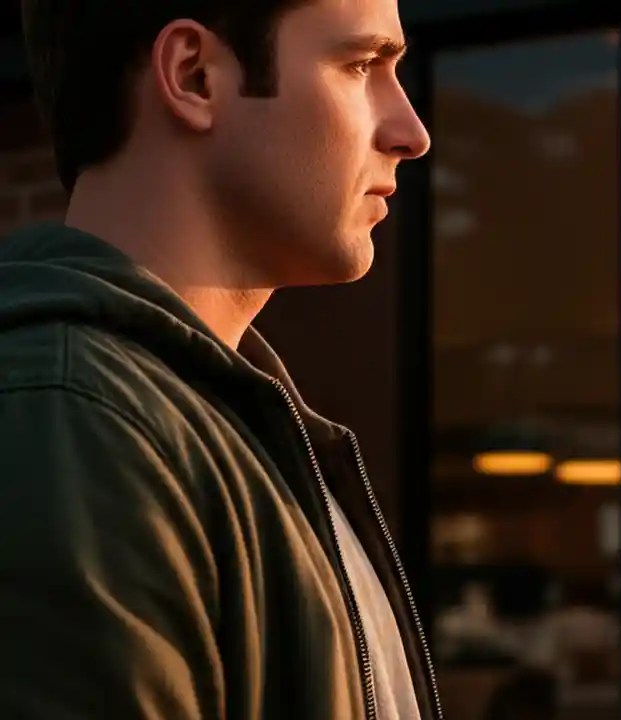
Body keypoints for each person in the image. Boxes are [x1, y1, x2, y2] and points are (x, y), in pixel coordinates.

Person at [0, 0, 434, 718]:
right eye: (361, 66)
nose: (410, 132)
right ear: (195, 76)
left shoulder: (225, 430)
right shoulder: (74, 424)